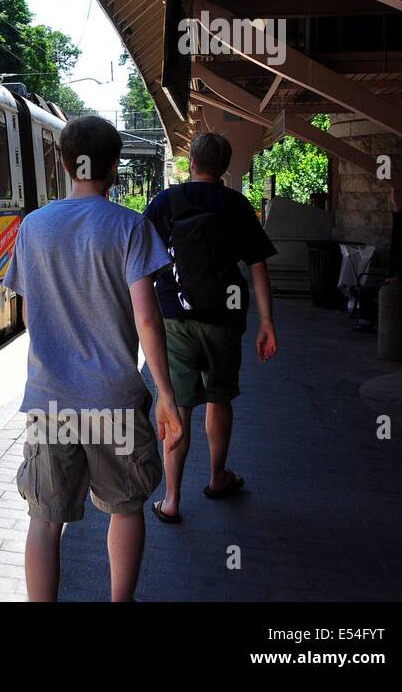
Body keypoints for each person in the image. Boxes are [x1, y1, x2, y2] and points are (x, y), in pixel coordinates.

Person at [3, 116, 183, 602]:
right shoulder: (130, 227)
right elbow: (148, 320)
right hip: (115, 401)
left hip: (50, 400)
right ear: (114, 167)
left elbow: (29, 317)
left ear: (64, 163)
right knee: (125, 507)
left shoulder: (33, 228)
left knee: (45, 517)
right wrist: (165, 394)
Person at [144, 132, 278, 524]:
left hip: (175, 318)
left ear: (191, 163)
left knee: (177, 406)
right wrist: (267, 321)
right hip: (224, 319)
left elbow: (141, 262)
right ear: (225, 167)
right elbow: (258, 267)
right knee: (219, 399)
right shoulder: (236, 204)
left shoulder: (166, 202)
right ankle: (218, 477)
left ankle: (170, 500)